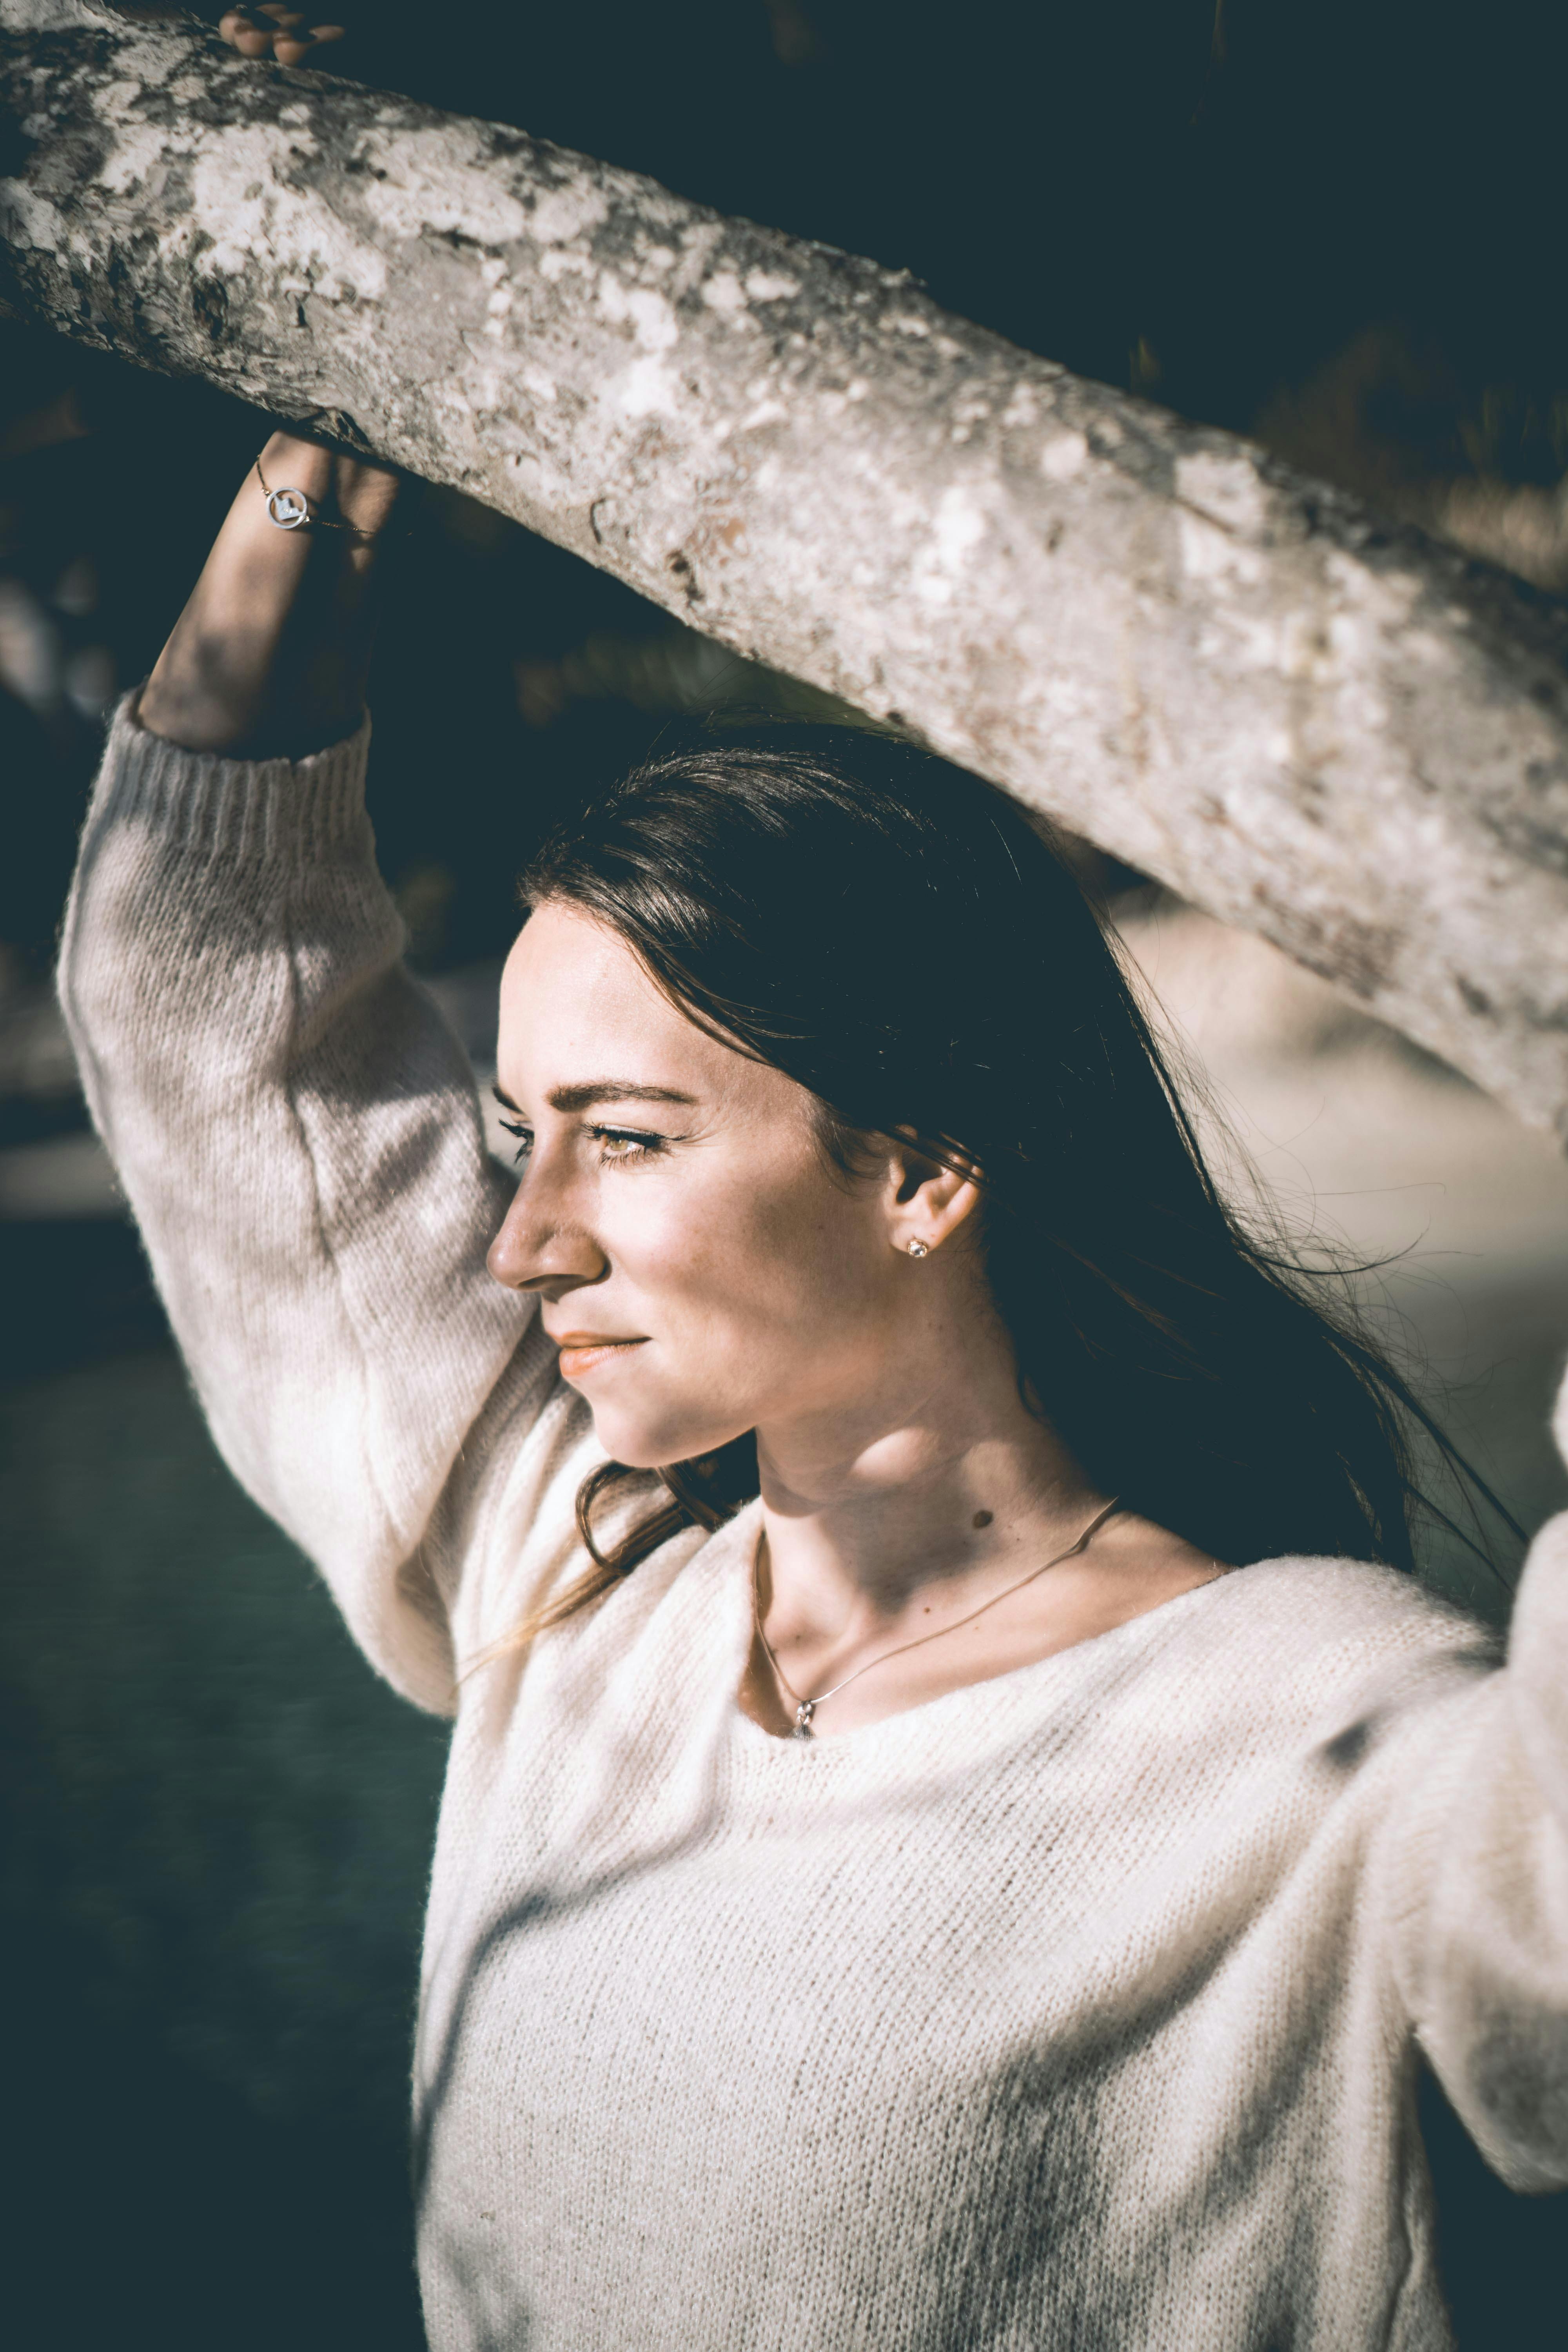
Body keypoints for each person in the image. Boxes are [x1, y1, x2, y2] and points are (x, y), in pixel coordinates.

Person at [59, 405, 1568, 2351]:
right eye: (520, 1138)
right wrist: (314, 463)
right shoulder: (579, 1593)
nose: (521, 1246)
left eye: (630, 1136)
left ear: (929, 1166)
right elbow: (209, 985)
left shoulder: (1320, 1732)